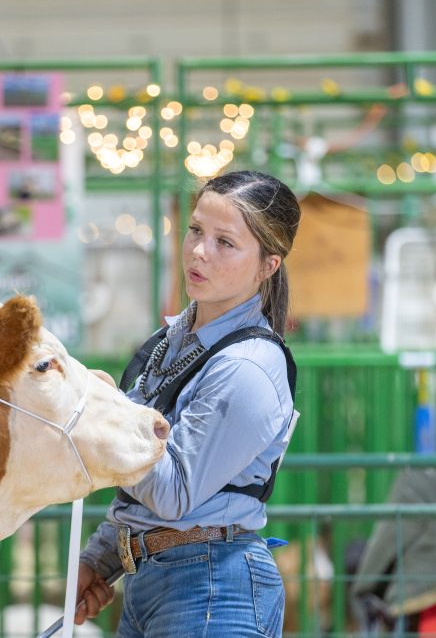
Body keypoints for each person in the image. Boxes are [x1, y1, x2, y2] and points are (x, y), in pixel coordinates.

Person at [76, 170, 302, 637]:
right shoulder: (174, 340)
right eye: (196, 230)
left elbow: (173, 491)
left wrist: (94, 416)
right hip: (153, 580)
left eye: (226, 242)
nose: (199, 251)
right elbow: (146, 483)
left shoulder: (248, 366)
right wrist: (99, 559)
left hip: (213, 586)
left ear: (268, 265)